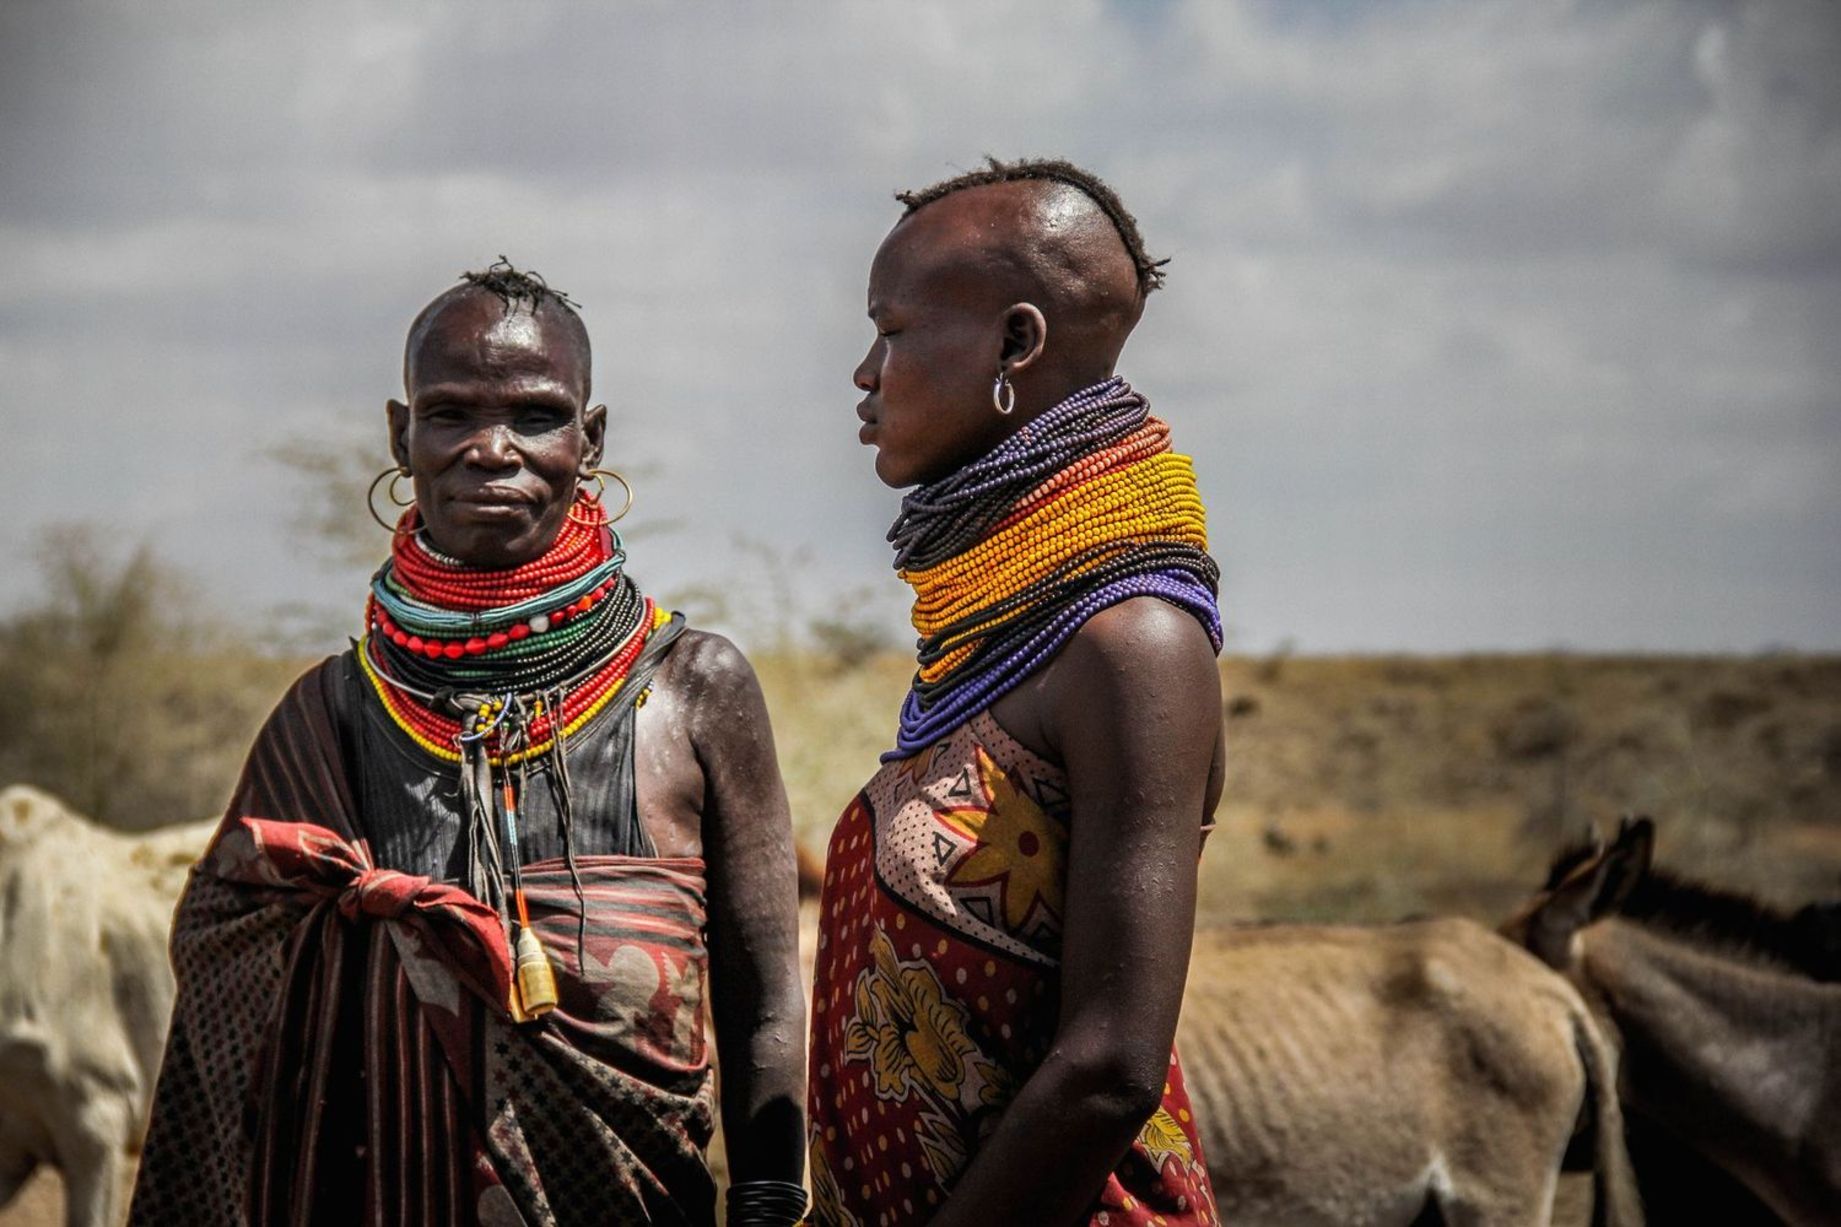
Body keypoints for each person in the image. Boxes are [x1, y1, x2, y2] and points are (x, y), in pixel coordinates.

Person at [131, 262, 808, 1226]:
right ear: (401, 436)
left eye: (535, 416)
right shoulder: (324, 717)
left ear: (592, 436)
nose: (491, 450)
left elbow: (765, 999)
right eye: (450, 414)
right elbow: (223, 974)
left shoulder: (697, 689)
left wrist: (772, 1204)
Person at [807, 160, 1225, 1226]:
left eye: (890, 331)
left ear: (1014, 344)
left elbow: (1108, 1070)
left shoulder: (1131, 646)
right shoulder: (1013, 634)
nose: (862, 372)